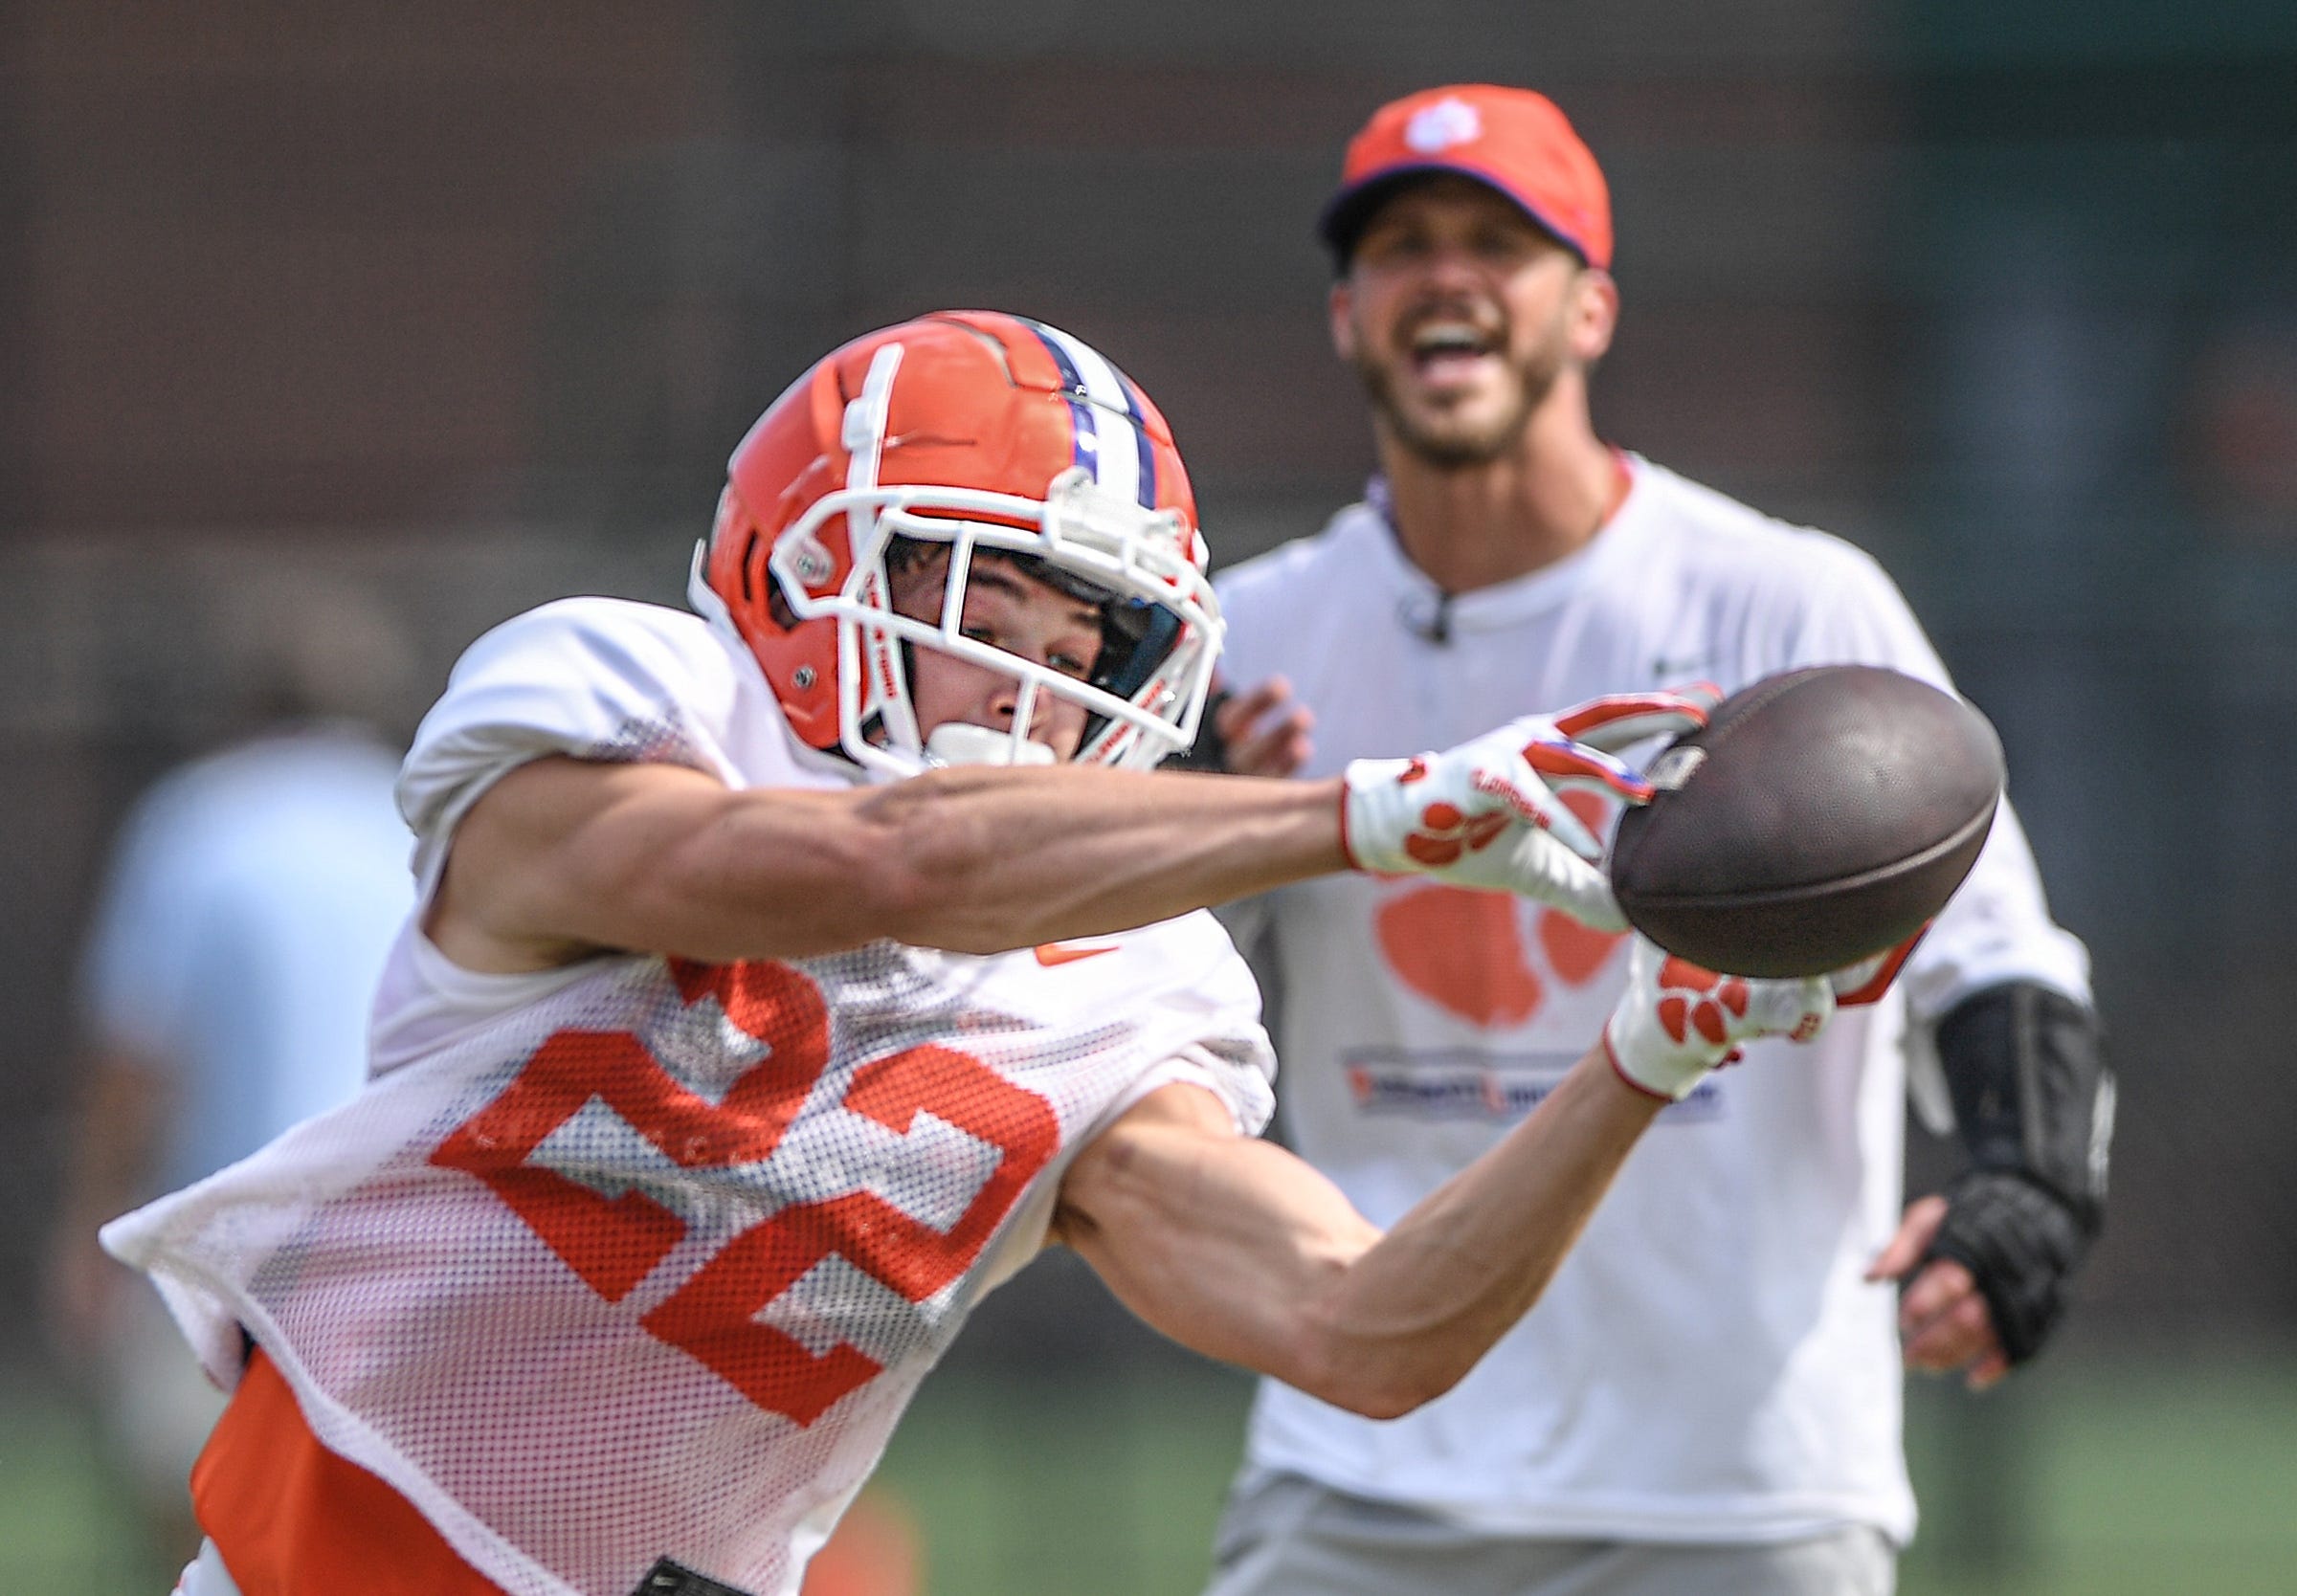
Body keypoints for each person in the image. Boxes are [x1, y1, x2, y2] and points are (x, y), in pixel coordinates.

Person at [102, 310, 1867, 1596]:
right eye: (978, 613)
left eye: (1083, 645)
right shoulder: (638, 715)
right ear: (802, 570)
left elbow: (1363, 1326)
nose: (1033, 693)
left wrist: (1644, 1053)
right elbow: (898, 858)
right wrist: (1376, 812)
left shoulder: (1127, 988)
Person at [1198, 86, 2113, 1595]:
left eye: (1499, 241)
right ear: (1346, 314)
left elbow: (1993, 952)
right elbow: (1120, 993)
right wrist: (1200, 821)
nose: (1447, 276)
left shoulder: (1792, 610)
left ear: (1593, 305)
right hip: (1368, 1463)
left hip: (1744, 1492)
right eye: (1402, 244)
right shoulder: (1253, 640)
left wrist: (2031, 1187)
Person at [43, 580, 422, 1564]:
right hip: (402, 1220)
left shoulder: (196, 819)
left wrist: (91, 1226)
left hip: (228, 1230)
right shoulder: (415, 819)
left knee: (197, 1515)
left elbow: (136, 1051)